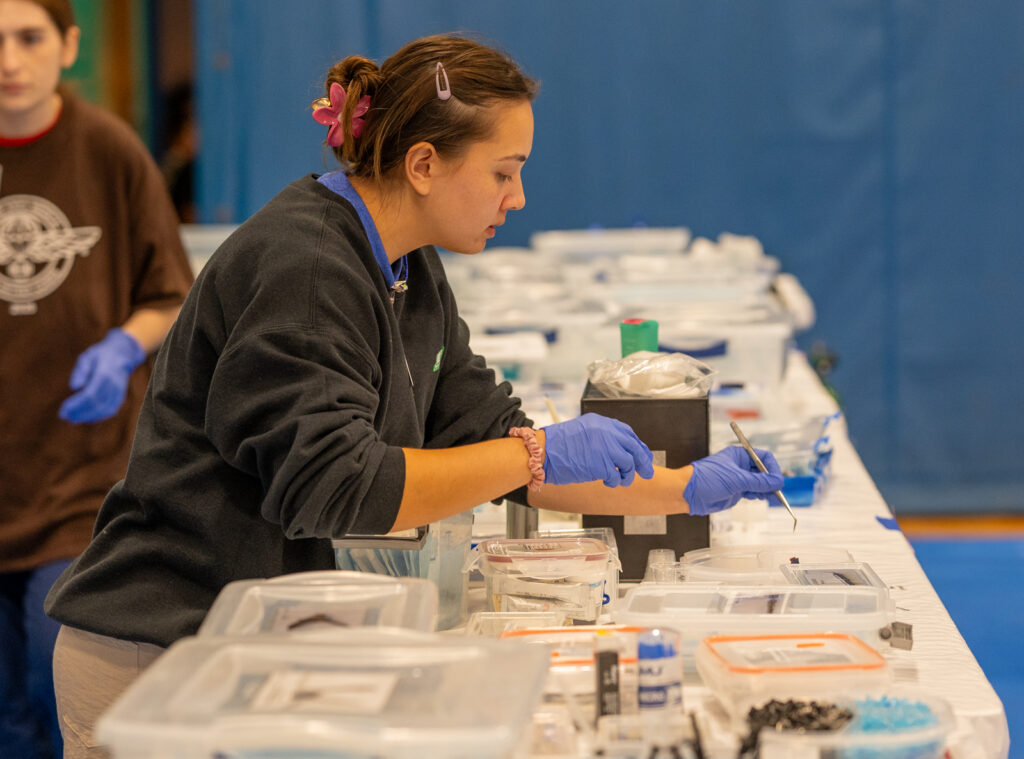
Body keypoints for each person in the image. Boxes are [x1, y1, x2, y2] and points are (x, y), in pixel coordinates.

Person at [44, 33, 782, 757]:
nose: (518, 197)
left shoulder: (408, 266)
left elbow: (491, 439)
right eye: (504, 172)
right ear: (424, 163)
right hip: (157, 659)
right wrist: (535, 450)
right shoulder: (307, 265)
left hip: (248, 645)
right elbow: (338, 488)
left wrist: (684, 488)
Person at [0, 1, 195, 757]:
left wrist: (122, 346)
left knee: (63, 691)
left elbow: (171, 293)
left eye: (29, 38)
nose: (10, 60)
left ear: (69, 43)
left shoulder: (108, 149)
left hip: (82, 476)